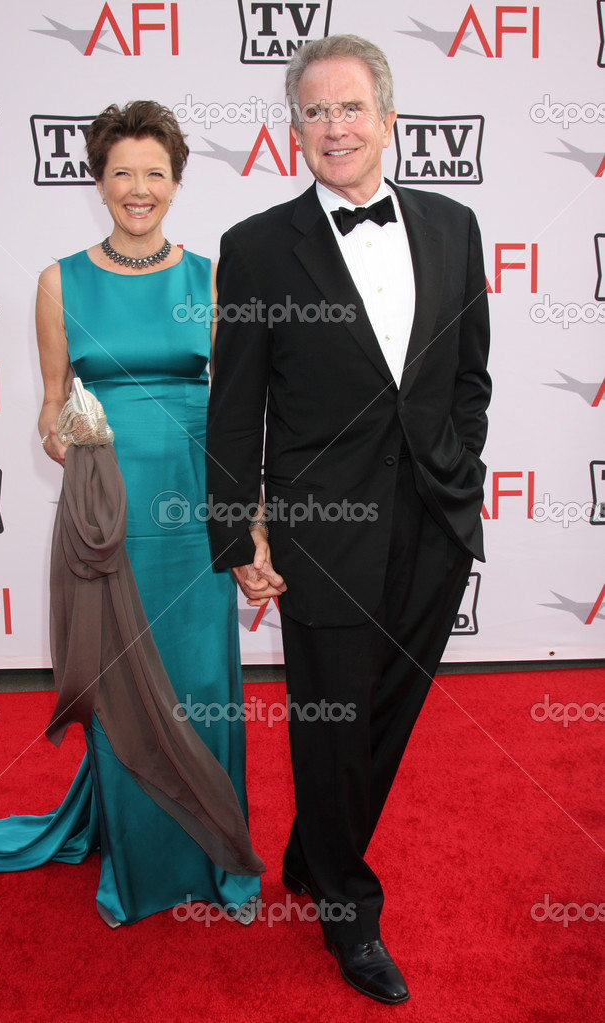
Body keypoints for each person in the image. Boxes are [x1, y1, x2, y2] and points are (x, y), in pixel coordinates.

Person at [206, 35, 491, 1003]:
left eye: (350, 108)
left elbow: (468, 377)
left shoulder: (454, 226)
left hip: (434, 516)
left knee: (386, 718)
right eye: (314, 112)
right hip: (319, 524)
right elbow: (234, 406)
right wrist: (234, 530)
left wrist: (459, 468)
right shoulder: (254, 246)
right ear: (294, 129)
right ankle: (346, 907)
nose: (334, 127)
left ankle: (312, 852)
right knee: (331, 721)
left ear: (387, 118)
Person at [0, 100, 261, 926]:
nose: (140, 189)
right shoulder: (58, 281)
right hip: (108, 514)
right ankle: (138, 865)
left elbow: (240, 417)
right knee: (122, 683)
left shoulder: (210, 277)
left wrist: (252, 526)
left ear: (176, 182)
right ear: (98, 181)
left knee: (201, 682)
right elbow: (50, 408)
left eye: (155, 174)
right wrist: (70, 432)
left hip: (195, 501)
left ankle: (216, 860)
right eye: (122, 173)